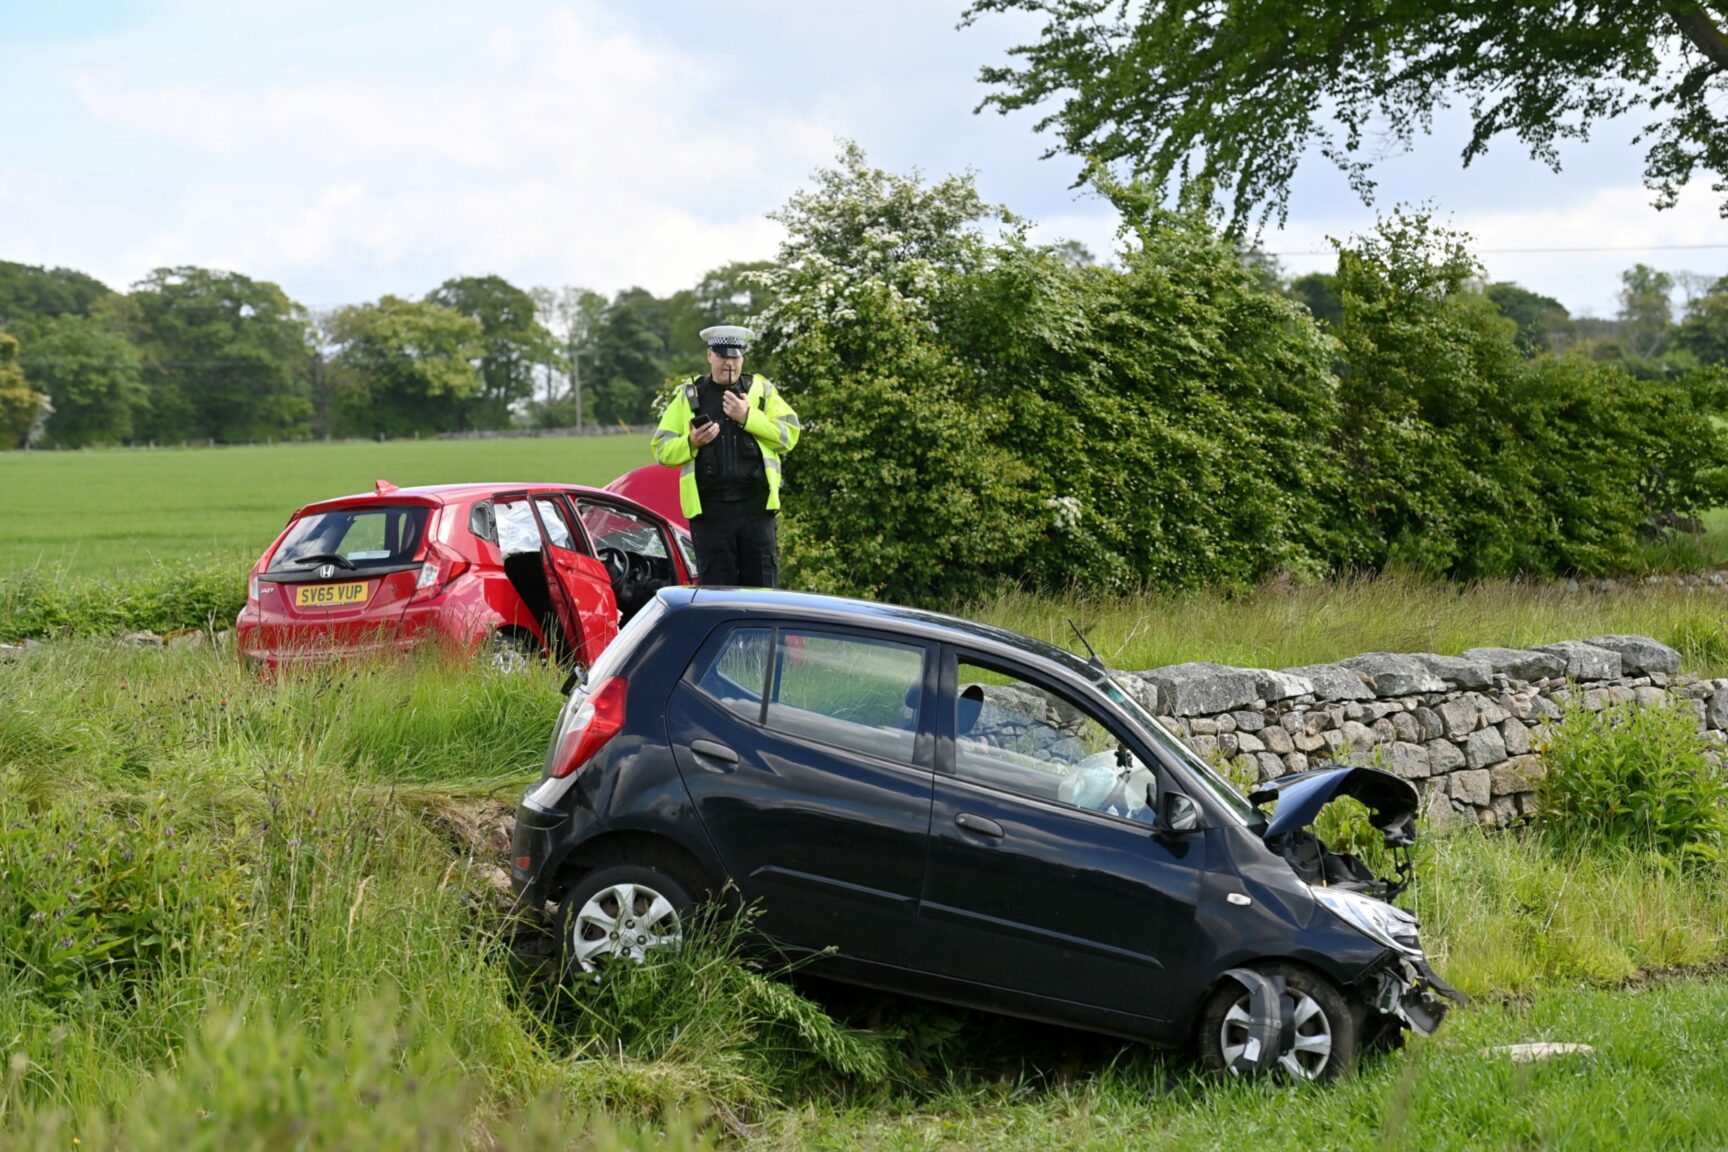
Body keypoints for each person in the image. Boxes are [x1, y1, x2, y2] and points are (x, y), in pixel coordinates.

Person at [651, 324, 801, 587]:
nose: (728, 363)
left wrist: (748, 418)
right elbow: (662, 449)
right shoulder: (690, 395)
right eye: (722, 356)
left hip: (756, 510)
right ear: (710, 355)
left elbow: (789, 435)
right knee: (718, 598)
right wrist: (691, 442)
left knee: (763, 595)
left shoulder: (762, 391)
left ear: (743, 357)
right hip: (710, 515)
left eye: (735, 356)